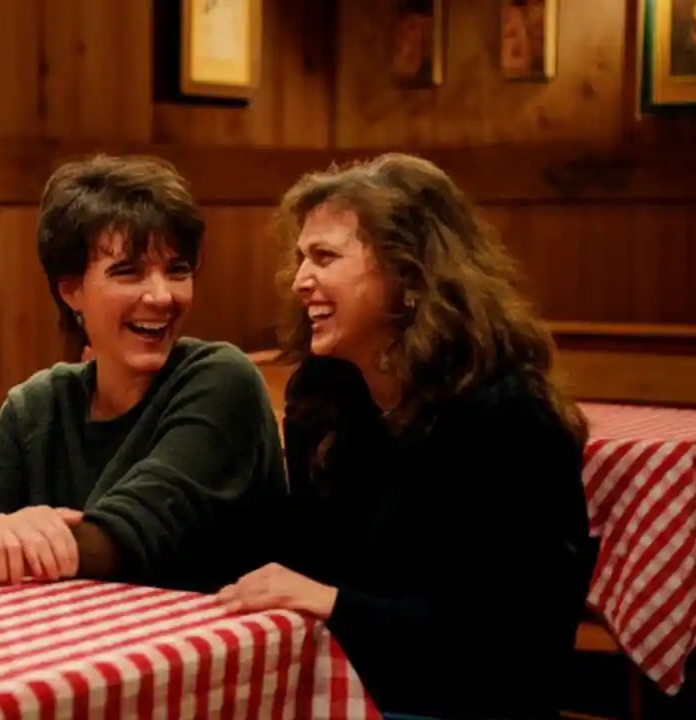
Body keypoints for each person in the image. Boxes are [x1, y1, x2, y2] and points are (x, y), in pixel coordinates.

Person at [216, 153, 596, 719]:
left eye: (324, 257)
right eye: (300, 258)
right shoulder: (324, 394)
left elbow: (514, 639)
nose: (299, 282)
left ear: (411, 277)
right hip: (335, 687)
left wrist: (334, 604)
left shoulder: (509, 417)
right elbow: (303, 555)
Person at [0, 154, 286, 594]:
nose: (161, 296)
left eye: (177, 271)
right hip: (82, 647)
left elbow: (127, 535)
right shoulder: (41, 403)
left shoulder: (221, 380)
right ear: (71, 289)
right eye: (128, 272)